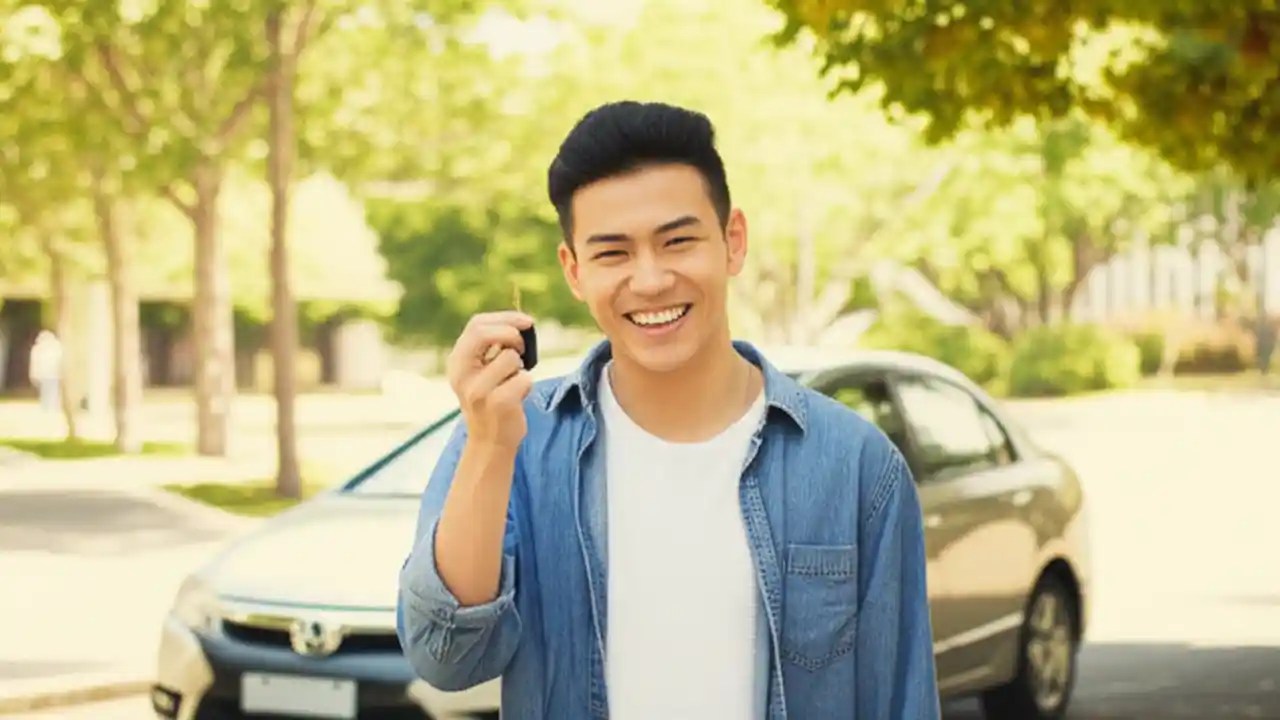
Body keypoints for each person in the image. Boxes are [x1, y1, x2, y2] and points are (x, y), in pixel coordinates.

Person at [397, 100, 940, 719]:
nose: (651, 280)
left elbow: (901, 701)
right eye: (613, 253)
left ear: (733, 241)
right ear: (573, 271)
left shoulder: (857, 466)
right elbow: (445, 657)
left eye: (677, 241)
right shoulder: (515, 439)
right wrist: (490, 446)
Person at [28, 330, 63, 413]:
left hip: (48, 374)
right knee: (50, 391)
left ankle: (48, 407)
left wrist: (33, 374)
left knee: (47, 391)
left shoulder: (38, 348)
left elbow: (34, 362)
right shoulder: (56, 346)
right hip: (51, 373)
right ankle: (50, 407)